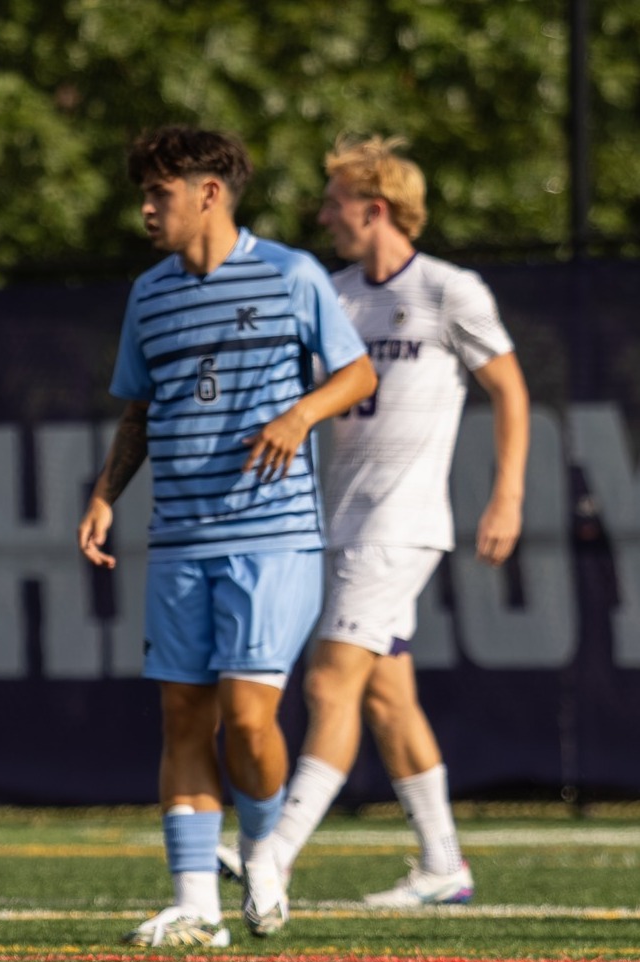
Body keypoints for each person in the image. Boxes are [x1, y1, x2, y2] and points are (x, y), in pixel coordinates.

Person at [76, 128, 375, 947]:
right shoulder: (150, 294)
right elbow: (139, 408)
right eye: (142, 193)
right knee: (183, 715)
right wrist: (106, 495)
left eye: (159, 194)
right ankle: (196, 905)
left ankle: (267, 850)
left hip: (273, 538)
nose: (144, 209)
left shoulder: (291, 273)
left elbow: (357, 372)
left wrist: (300, 412)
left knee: (248, 720)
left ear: (210, 193)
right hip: (177, 537)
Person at [220, 135, 528, 907]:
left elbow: (511, 391)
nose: (324, 216)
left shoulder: (448, 289)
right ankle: (443, 864)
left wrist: (508, 494)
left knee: (331, 682)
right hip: (341, 521)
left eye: (335, 203)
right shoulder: (337, 291)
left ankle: (273, 852)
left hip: (403, 522)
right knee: (389, 697)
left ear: (377, 208)